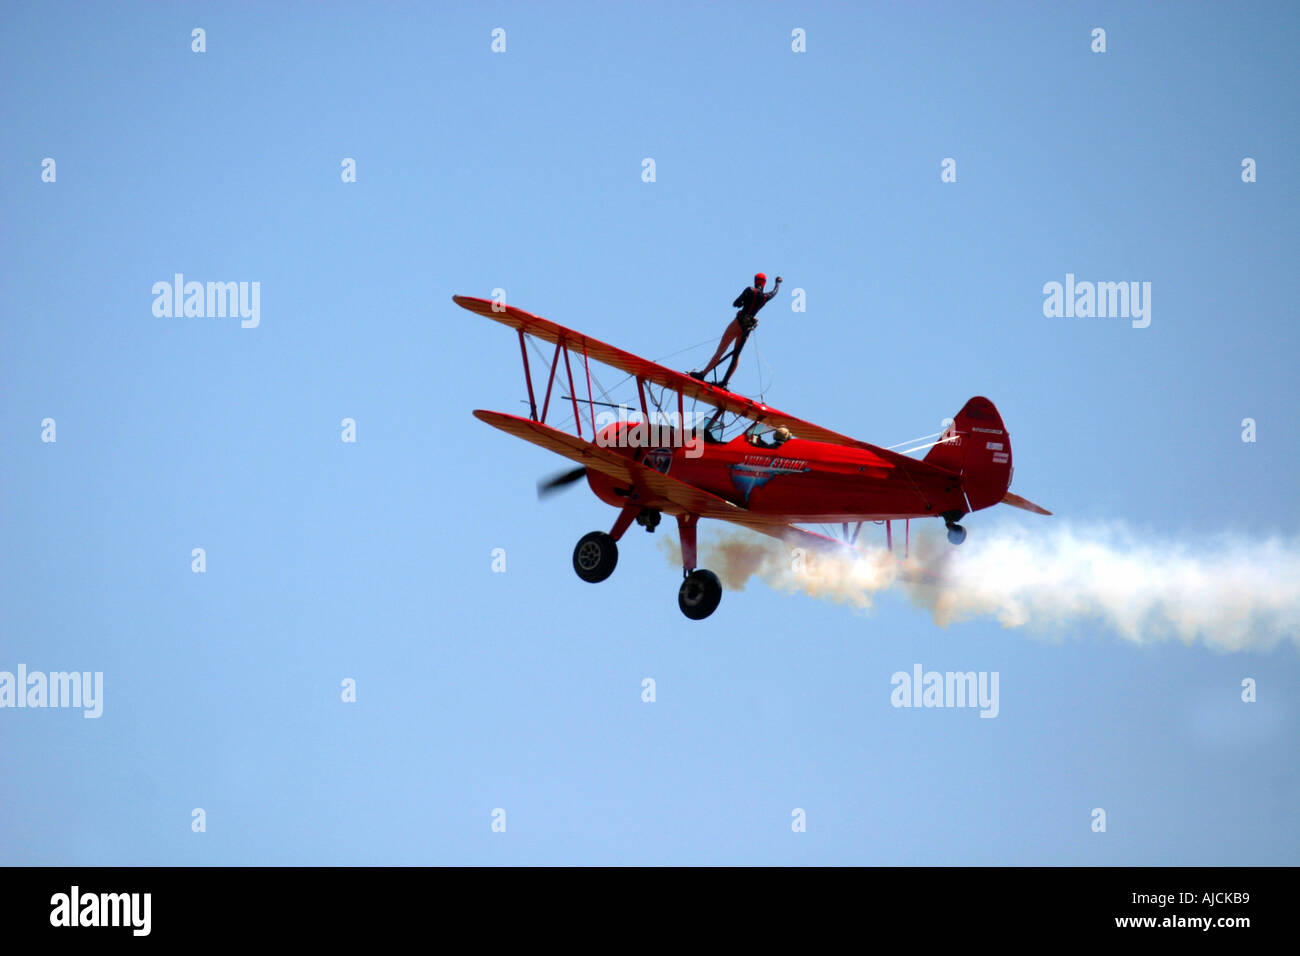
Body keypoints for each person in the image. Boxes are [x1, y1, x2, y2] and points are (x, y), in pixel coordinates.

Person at [689, 272, 781, 390]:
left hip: (738, 323)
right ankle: (724, 382)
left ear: (755, 280)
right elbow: (775, 292)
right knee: (736, 354)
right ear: (764, 283)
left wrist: (742, 303)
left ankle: (703, 374)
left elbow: (736, 303)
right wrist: (777, 283)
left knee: (721, 349)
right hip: (747, 328)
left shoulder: (749, 290)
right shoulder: (765, 297)